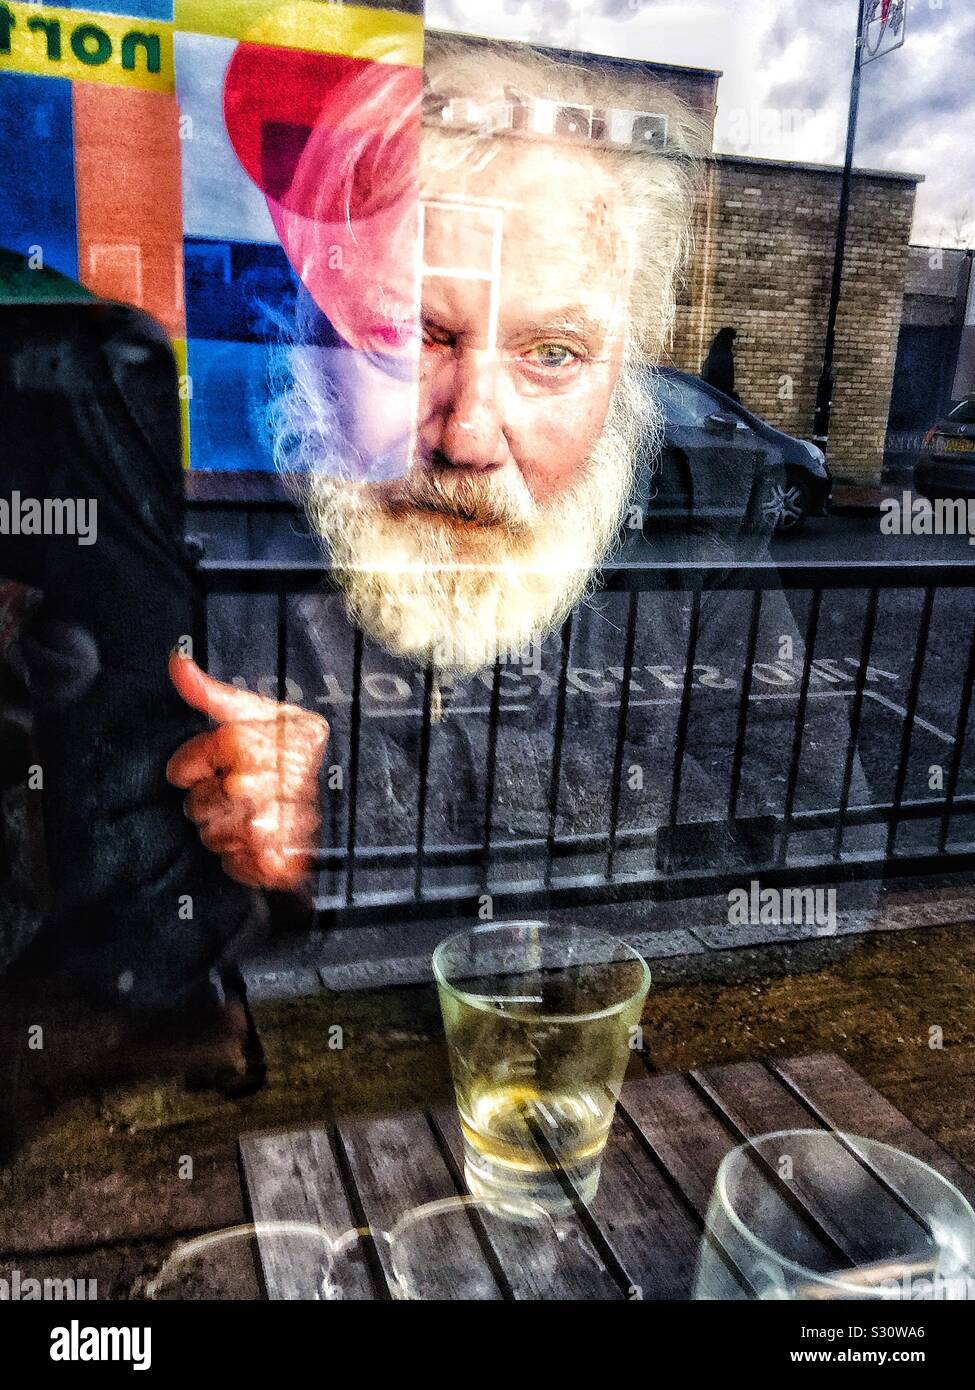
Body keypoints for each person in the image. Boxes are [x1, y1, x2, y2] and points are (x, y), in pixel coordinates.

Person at [0, 40, 874, 1150]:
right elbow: (107, 968)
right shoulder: (185, 526)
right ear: (316, 318)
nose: (468, 433)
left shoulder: (698, 522)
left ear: (628, 368)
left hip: (622, 1123)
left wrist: (343, 821)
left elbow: (825, 885)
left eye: (554, 352)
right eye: (414, 332)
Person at [701, 326, 740, 401]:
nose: (734, 343)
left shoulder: (715, 352)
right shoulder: (724, 355)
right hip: (720, 394)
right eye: (733, 340)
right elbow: (725, 378)